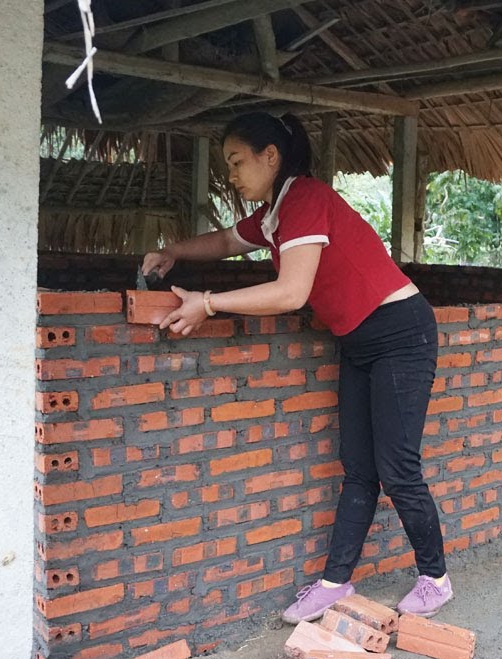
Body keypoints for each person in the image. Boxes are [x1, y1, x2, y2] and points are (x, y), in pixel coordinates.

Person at [141, 112, 453, 621]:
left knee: (397, 469)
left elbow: (291, 293)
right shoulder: (274, 215)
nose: (233, 176)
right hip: (357, 341)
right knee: (358, 469)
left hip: (400, 334)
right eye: (228, 166)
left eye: (239, 162)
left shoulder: (305, 199)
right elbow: (223, 242)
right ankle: (336, 583)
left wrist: (209, 304)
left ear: (271, 157)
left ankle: (435, 578)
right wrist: (172, 252)